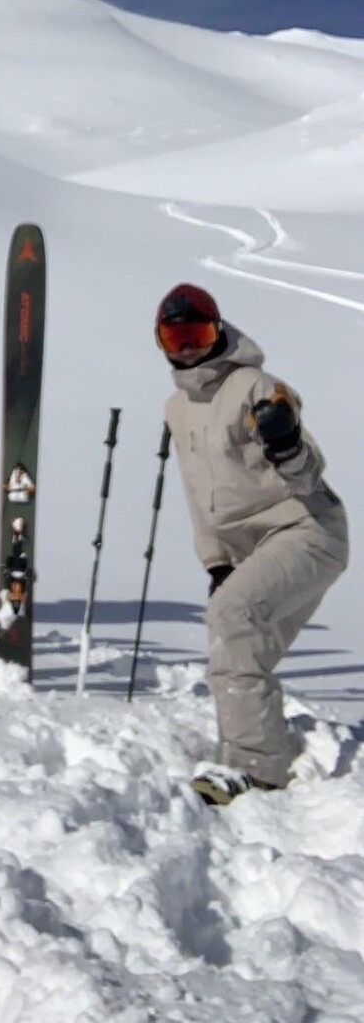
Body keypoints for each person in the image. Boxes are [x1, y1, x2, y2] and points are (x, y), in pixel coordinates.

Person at [155, 283, 349, 805]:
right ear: (162, 343)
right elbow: (200, 494)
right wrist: (217, 561)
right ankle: (243, 754)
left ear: (219, 332)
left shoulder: (257, 386)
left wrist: (285, 442)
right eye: (178, 336)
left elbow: (309, 476)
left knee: (233, 618)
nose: (190, 347)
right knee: (237, 645)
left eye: (199, 333)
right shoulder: (177, 408)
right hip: (254, 548)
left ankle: (256, 769)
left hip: (307, 529)